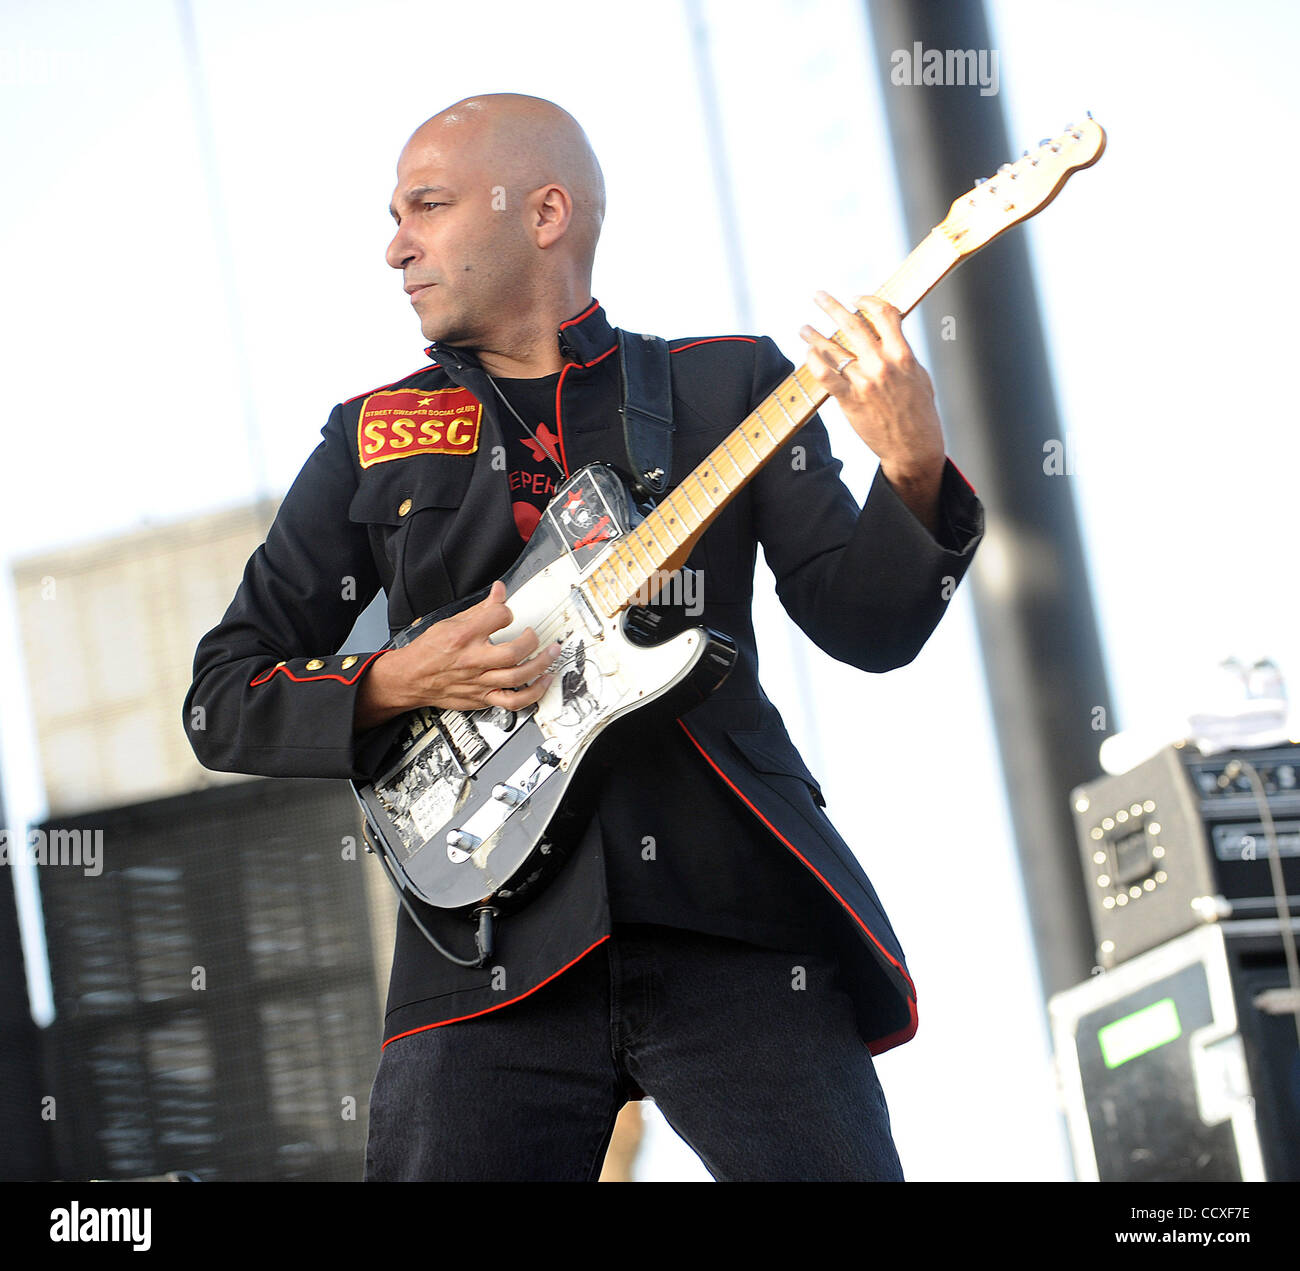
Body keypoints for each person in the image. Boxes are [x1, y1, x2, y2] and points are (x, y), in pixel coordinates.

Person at [184, 93, 984, 1181]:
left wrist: (912, 469)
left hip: (732, 916)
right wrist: (395, 676)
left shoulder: (725, 381)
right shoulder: (374, 433)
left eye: (426, 205)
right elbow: (222, 694)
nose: (393, 246)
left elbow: (867, 625)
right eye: (394, 213)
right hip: (482, 945)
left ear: (544, 211)